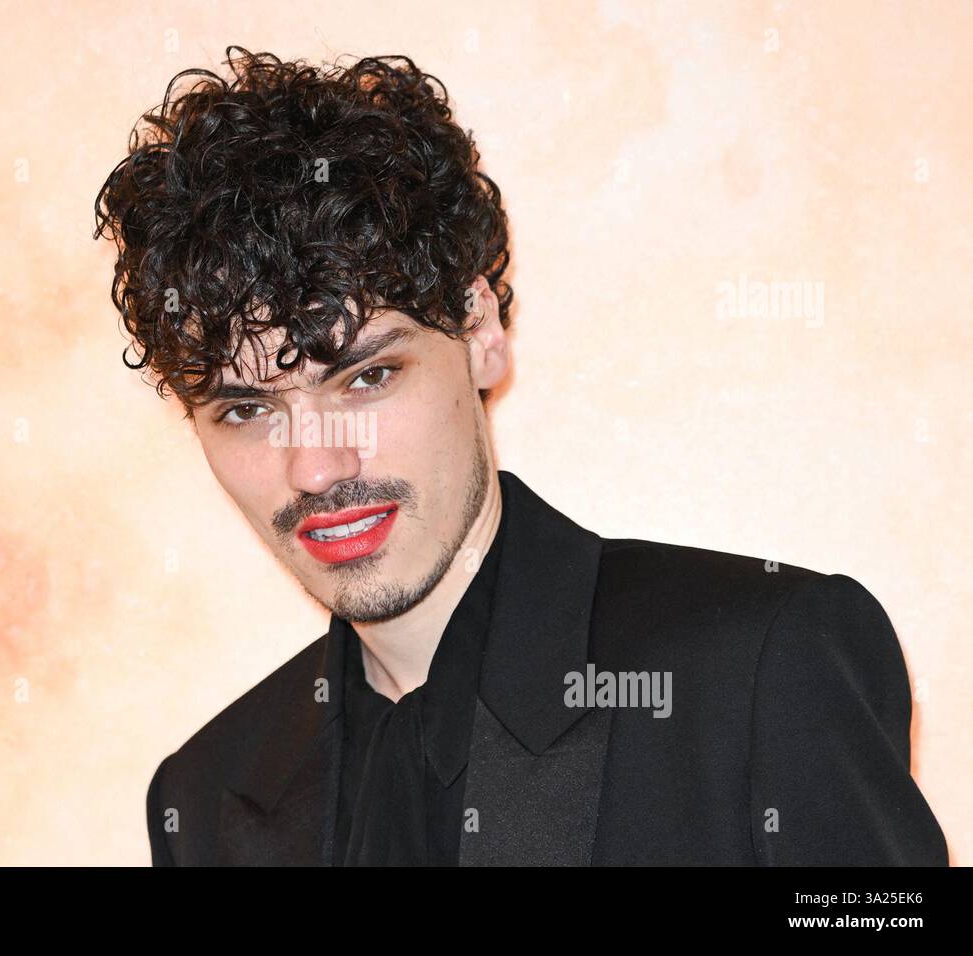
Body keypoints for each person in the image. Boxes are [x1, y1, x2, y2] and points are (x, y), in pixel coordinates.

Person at [95, 46, 948, 866]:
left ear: (479, 333)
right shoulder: (205, 795)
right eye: (246, 410)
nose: (314, 470)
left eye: (366, 378)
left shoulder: (764, 670)